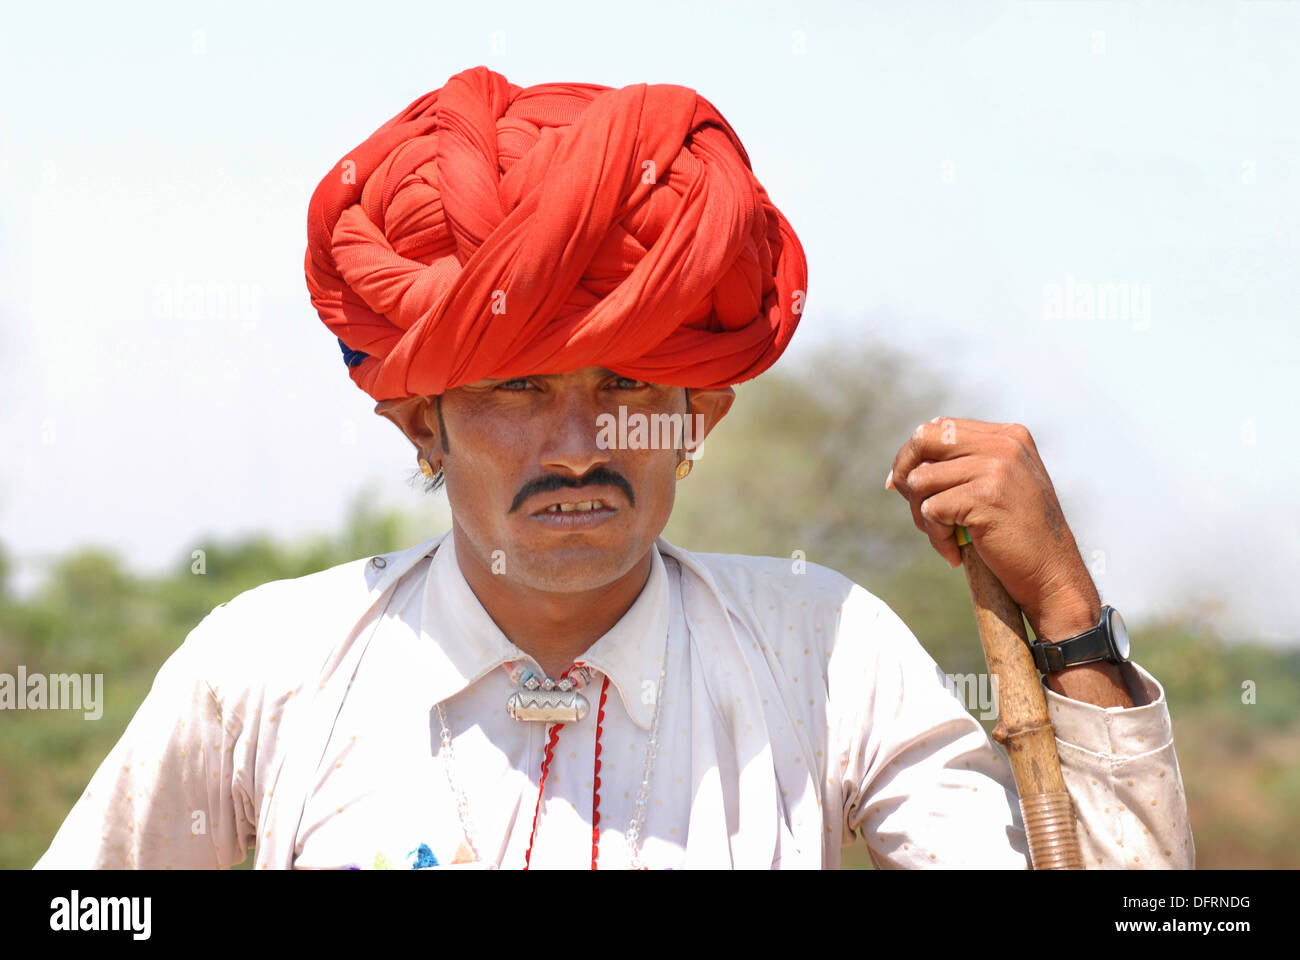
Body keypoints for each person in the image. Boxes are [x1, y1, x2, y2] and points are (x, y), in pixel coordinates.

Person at [35, 66, 1192, 870]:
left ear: (698, 422)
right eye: (519, 389)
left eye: (629, 390)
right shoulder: (274, 668)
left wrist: (1068, 623)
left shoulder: (821, 654)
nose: (581, 444)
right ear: (419, 431)